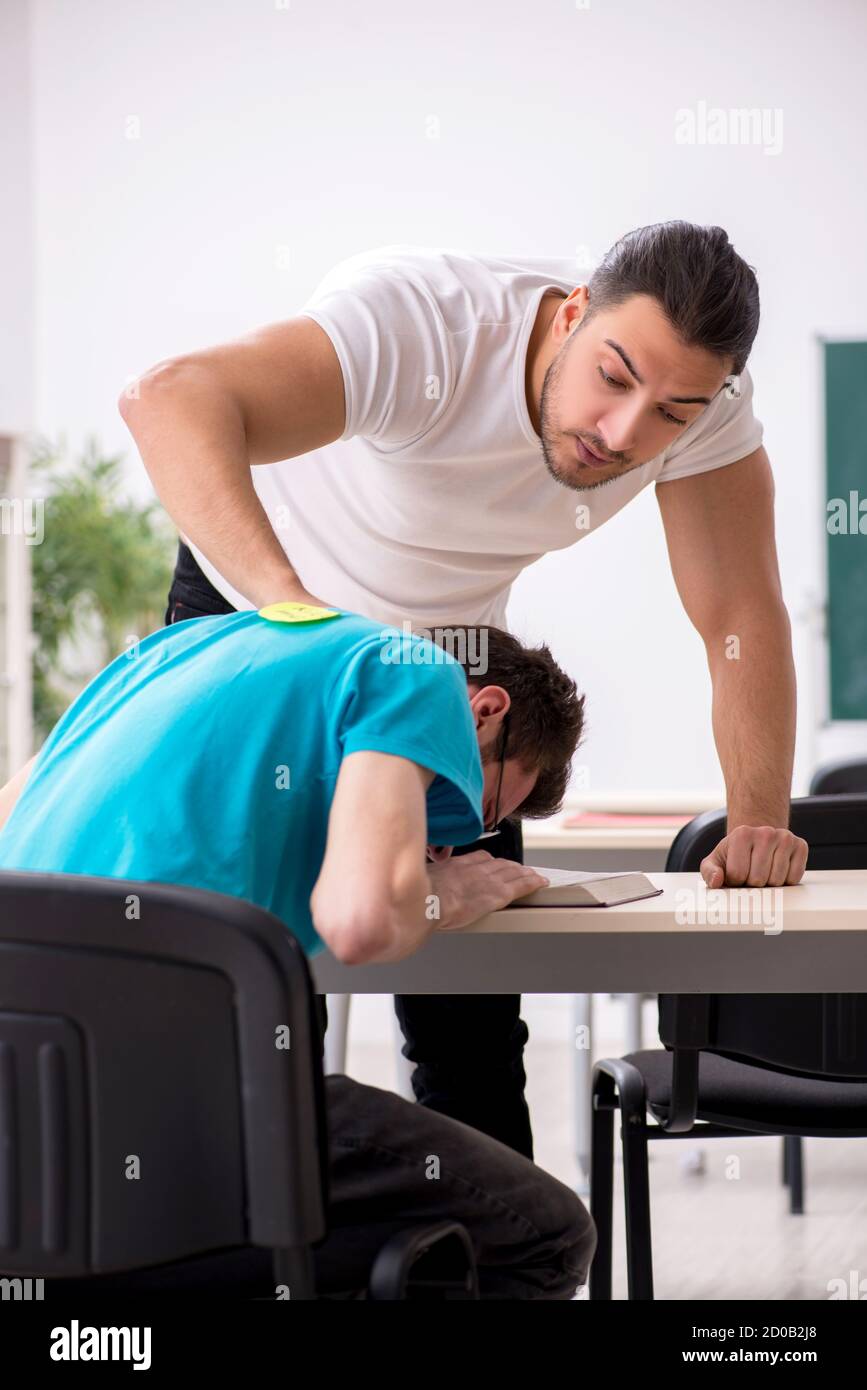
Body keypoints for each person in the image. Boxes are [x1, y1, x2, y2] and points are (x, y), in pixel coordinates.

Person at [119, 220, 809, 1161]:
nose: (624, 434)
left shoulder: (705, 409)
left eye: (671, 413)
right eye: (612, 378)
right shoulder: (424, 323)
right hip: (259, 613)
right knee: (264, 981)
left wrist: (756, 819)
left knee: (470, 1022)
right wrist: (301, 624)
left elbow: (740, 614)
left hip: (440, 671)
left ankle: (490, 1264)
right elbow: (167, 398)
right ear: (571, 316)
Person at [0, 608, 595, 1299]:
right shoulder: (418, 674)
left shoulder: (175, 650)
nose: (447, 842)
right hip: (166, 1099)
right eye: (471, 809)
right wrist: (445, 895)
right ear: (484, 710)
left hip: (30, 1117)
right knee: (548, 1234)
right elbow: (359, 923)